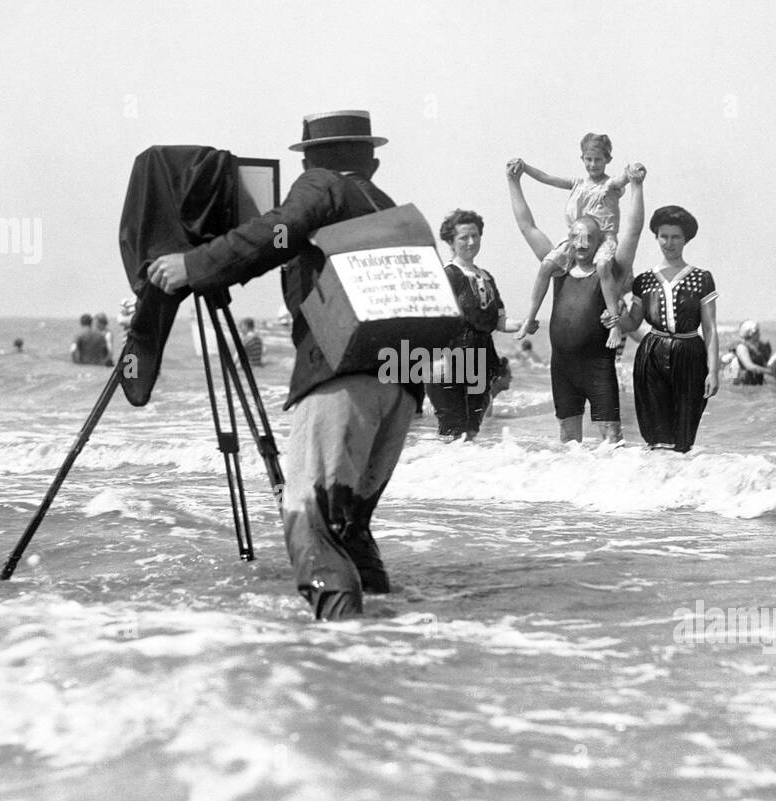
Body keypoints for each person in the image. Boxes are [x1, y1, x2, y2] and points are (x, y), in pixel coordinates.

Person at [146, 109, 415, 621]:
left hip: (343, 376)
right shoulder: (382, 202)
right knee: (349, 527)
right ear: (372, 162)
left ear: (310, 160)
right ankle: (386, 641)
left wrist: (194, 265)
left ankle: (342, 653)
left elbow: (280, 231)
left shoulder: (321, 185)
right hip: (400, 381)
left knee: (309, 523)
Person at [508, 159, 647, 443]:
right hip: (562, 368)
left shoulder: (610, 270)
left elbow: (632, 231)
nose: (582, 245)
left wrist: (636, 188)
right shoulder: (559, 267)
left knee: (612, 441)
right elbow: (527, 227)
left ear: (600, 242)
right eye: (576, 239)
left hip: (598, 368)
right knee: (568, 443)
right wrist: (514, 182)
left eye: (589, 240)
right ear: (569, 239)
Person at [511, 134, 642, 350]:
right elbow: (547, 178)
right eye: (588, 159)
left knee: (602, 266)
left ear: (608, 160)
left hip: (603, 240)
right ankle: (530, 317)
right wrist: (524, 168)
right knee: (546, 265)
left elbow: (622, 179)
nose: (593, 164)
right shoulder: (577, 184)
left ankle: (614, 323)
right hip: (576, 238)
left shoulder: (609, 185)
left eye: (598, 160)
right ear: (582, 158)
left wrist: (632, 173)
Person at [607, 205, 720, 452]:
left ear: (686, 239)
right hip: (651, 356)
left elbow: (710, 330)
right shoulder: (644, 280)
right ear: (656, 237)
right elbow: (634, 323)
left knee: (683, 437)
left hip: (691, 354)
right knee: (656, 437)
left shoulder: (702, 278)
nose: (669, 243)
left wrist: (713, 371)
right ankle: (656, 484)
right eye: (664, 236)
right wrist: (616, 320)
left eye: (676, 237)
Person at [427, 209, 521, 439]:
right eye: (463, 237)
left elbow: (499, 321)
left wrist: (524, 324)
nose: (471, 242)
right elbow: (432, 322)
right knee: (452, 432)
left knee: (470, 433)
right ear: (450, 241)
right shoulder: (447, 275)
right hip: (450, 361)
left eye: (475, 236)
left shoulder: (486, 277)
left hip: (482, 361)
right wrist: (436, 360)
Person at [731, 320, 772, 385]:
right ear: (750, 333)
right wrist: (769, 372)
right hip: (744, 382)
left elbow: (767, 362)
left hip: (757, 380)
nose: (759, 333)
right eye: (757, 332)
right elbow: (749, 366)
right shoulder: (742, 347)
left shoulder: (761, 346)